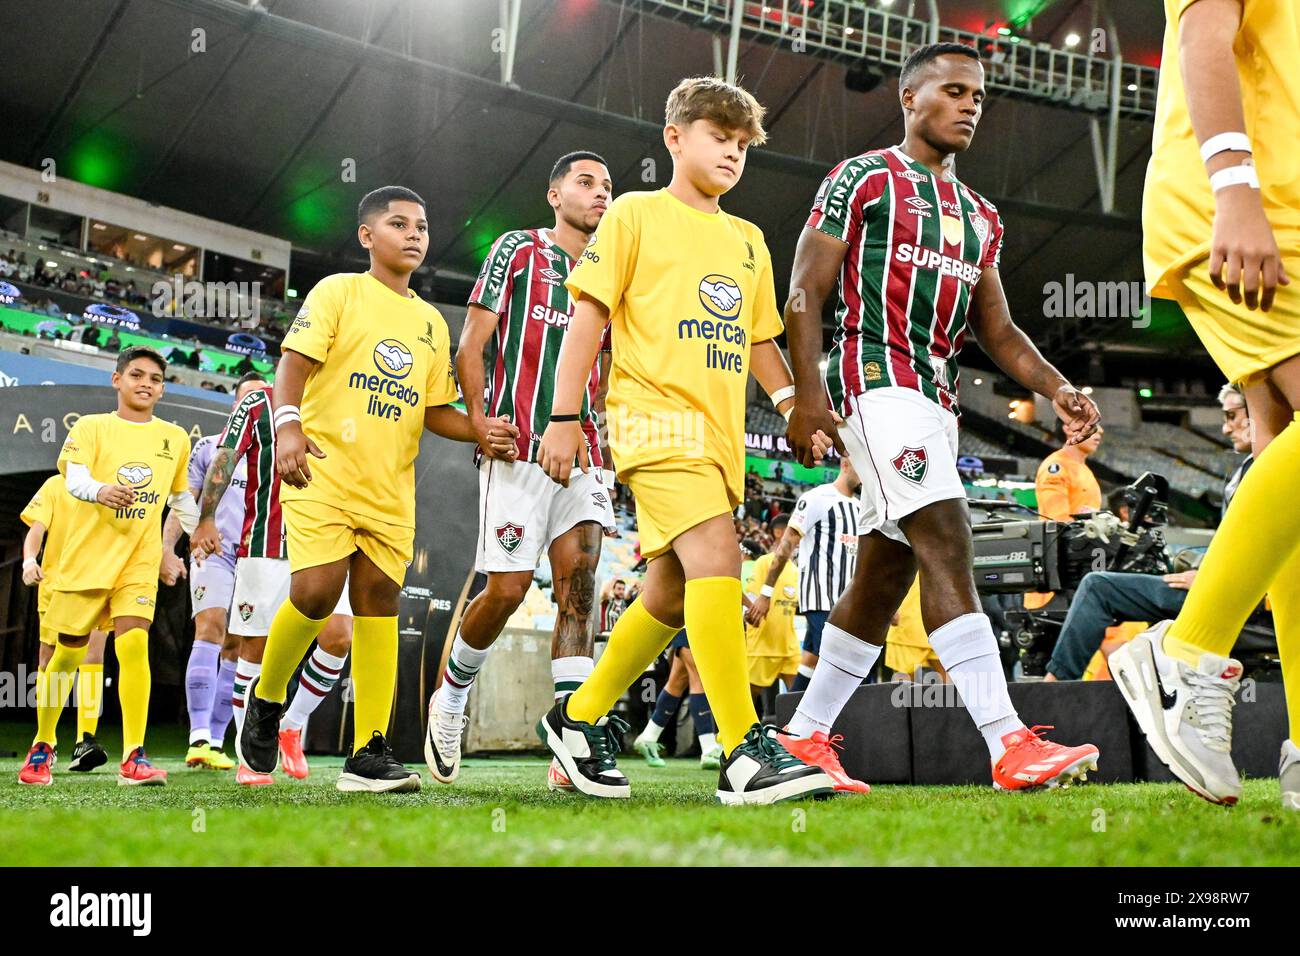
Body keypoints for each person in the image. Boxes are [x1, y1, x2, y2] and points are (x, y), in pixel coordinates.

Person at [780, 43, 1101, 794]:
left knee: (886, 572)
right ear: (910, 98)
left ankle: (801, 737)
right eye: (953, 91)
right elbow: (804, 291)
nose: (969, 106)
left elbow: (999, 330)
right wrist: (805, 395)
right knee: (948, 535)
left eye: (978, 97)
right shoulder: (863, 178)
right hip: (874, 381)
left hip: (935, 399)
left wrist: (1057, 388)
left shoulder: (980, 216)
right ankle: (1007, 740)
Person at [535, 75, 836, 804]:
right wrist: (564, 416)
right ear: (674, 137)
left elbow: (762, 339)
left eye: (741, 144)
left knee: (670, 592)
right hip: (652, 419)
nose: (732, 153)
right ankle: (742, 750)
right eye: (716, 136)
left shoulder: (748, 240)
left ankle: (576, 720)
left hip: (720, 436)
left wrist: (795, 401)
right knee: (718, 558)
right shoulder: (635, 214)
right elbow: (588, 320)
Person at [237, 186, 518, 794]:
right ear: (367, 236)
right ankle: (266, 699)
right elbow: (292, 365)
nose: (415, 233)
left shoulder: (429, 323)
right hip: (322, 469)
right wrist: (286, 425)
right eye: (398, 223)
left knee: (379, 605)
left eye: (422, 225)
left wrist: (481, 429)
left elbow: (434, 409)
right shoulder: (338, 291)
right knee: (315, 592)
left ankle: (367, 754)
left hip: (390, 489)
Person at [1115, 0, 1300, 809]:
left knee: (1287, 474)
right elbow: (1201, 36)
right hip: (1248, 209)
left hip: (1279, 209)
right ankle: (1183, 655)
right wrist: (1235, 187)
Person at [427, 152, 617, 789]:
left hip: (583, 451)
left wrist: (607, 430)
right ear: (554, 193)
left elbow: (610, 363)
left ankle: (571, 732)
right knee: (506, 591)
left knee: (579, 588)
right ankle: (451, 696)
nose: (599, 196)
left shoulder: (613, 263)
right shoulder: (517, 250)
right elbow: (470, 345)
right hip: (518, 450)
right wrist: (481, 421)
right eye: (586, 184)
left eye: (607, 188)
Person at [18, 346, 199, 787]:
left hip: (136, 561)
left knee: (134, 644)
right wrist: (99, 491)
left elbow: (179, 498)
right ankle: (43, 744)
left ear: (162, 387)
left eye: (155, 378)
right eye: (136, 375)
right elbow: (74, 477)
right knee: (68, 653)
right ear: (117, 380)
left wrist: (204, 530)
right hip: (85, 561)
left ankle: (133, 756)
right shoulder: (90, 427)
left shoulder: (175, 438)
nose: (146, 384)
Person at [191, 373, 355, 786]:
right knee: (256, 650)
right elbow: (225, 457)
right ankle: (252, 754)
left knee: (338, 636)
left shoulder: (343, 393)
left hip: (326, 543)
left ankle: (291, 724)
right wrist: (207, 518)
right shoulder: (258, 402)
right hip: (266, 545)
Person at [1048, 384, 1252, 681]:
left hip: (1233, 592)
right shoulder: (1247, 470)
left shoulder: (1260, 471)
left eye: (1232, 416)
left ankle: (1053, 691)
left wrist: (1211, 578)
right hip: (1226, 585)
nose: (1225, 427)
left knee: (1097, 587)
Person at [163, 376, 263, 772]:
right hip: (214, 552)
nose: (254, 404)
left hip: (257, 558)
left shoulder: (275, 453)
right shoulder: (208, 448)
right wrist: (166, 548)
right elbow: (183, 501)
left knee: (237, 646)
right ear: (235, 405)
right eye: (247, 397)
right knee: (210, 628)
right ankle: (198, 737)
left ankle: (218, 743)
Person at [18, 475, 110, 777]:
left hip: (97, 582)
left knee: (93, 656)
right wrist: (29, 560)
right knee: (48, 658)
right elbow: (37, 528)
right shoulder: (57, 484)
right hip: (56, 585)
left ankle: (85, 739)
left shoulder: (113, 486)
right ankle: (45, 740)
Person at [745, 457, 861, 692]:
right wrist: (766, 594)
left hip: (847, 602)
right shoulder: (817, 498)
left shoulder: (860, 508)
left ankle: (790, 724)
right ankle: (832, 724)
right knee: (839, 666)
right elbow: (786, 545)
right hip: (821, 600)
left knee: (811, 660)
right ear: (846, 462)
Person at [1024, 421, 1104, 610]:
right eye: (1092, 425)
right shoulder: (1056, 466)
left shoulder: (1085, 470)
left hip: (1077, 571)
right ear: (1068, 428)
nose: (1100, 431)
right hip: (1056, 581)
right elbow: (1057, 523)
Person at [630, 630, 720, 770]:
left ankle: (649, 737)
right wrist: (751, 606)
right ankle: (708, 748)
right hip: (688, 621)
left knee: (677, 681)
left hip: (700, 621)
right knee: (699, 676)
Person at [740, 514, 803, 710]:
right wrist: (749, 614)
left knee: (799, 699)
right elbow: (751, 601)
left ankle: (795, 739)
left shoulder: (795, 570)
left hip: (789, 648)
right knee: (747, 701)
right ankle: (729, 738)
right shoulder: (763, 563)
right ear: (779, 533)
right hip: (762, 646)